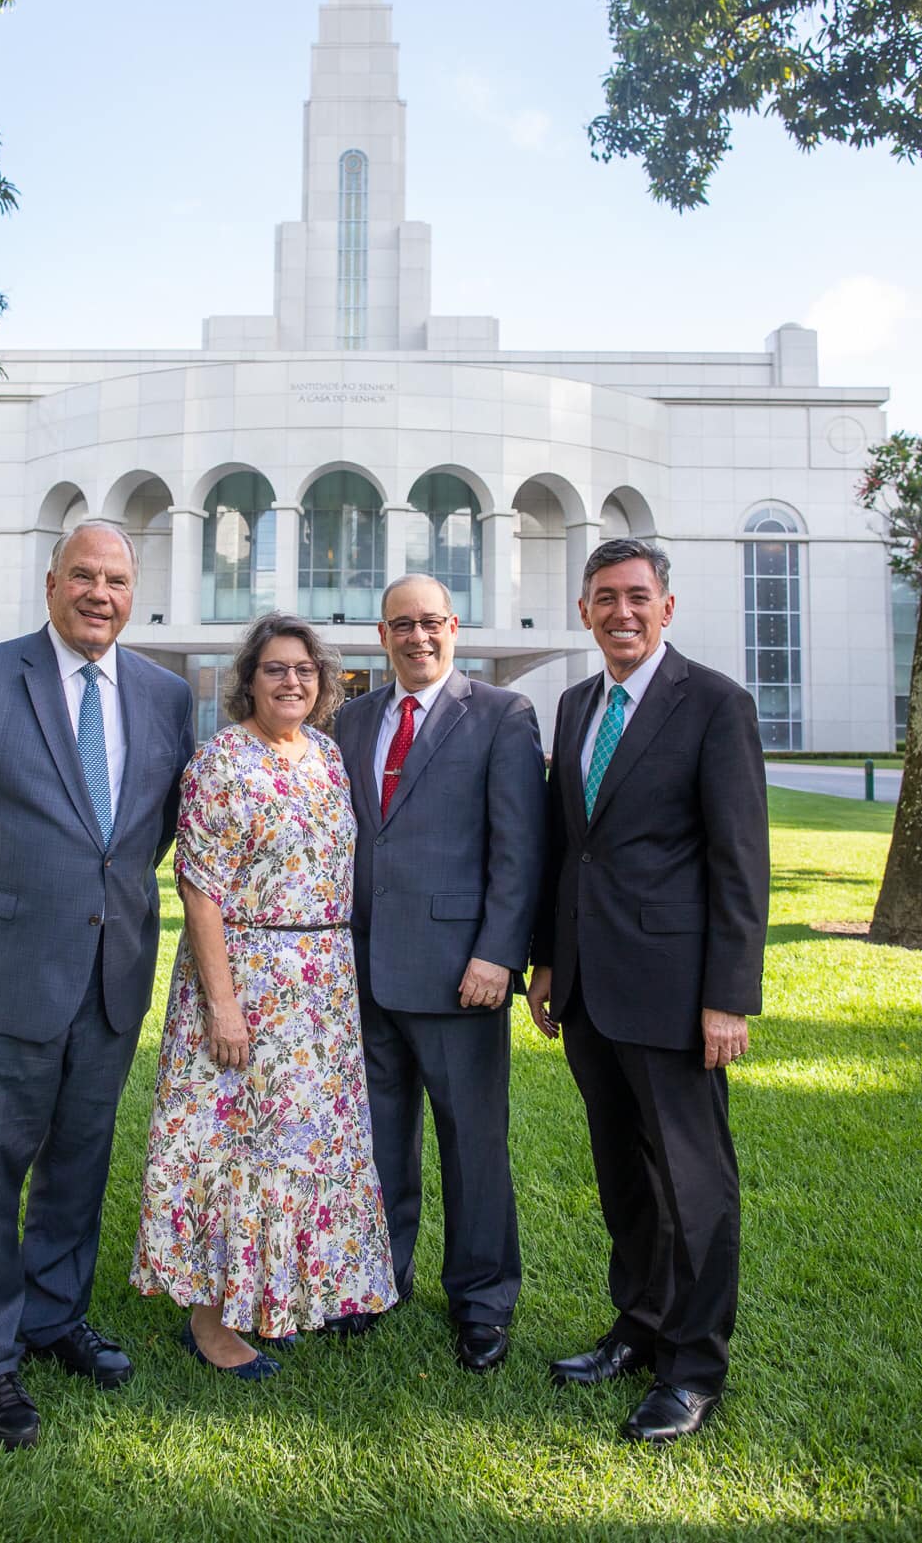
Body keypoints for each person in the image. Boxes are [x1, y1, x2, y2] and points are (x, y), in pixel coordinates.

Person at [0, 520, 193, 1448]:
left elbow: (147, 832)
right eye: (83, 575)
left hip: (110, 974)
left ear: (133, 594)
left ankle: (53, 1316)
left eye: (117, 580)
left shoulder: (166, 695)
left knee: (78, 1163)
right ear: (51, 582)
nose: (100, 593)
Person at [527, 537, 769, 1445]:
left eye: (636, 595)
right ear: (584, 611)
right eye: (603, 597)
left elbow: (739, 860)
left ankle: (693, 1368)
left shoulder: (713, 703)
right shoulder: (574, 704)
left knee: (693, 1184)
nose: (620, 611)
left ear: (666, 606)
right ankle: (638, 1324)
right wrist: (547, 960)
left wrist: (727, 995)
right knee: (623, 1174)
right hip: (589, 986)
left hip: (674, 989)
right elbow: (566, 847)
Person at [131, 612, 395, 1377]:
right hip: (244, 981)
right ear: (247, 679)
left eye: (304, 669)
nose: (291, 680)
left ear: (323, 682)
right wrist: (222, 1004)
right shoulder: (219, 761)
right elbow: (199, 888)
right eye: (275, 668)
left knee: (295, 1151)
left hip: (320, 992)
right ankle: (209, 1322)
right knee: (231, 1149)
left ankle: (267, 1298)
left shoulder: (326, 755)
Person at [334, 576, 547, 1371]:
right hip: (363, 967)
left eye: (430, 622)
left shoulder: (500, 714)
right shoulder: (352, 718)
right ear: (380, 634)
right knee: (376, 1135)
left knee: (472, 1143)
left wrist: (498, 952)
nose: (416, 636)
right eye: (401, 624)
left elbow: (519, 847)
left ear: (454, 626)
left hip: (462, 972)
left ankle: (481, 1300)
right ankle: (377, 1279)